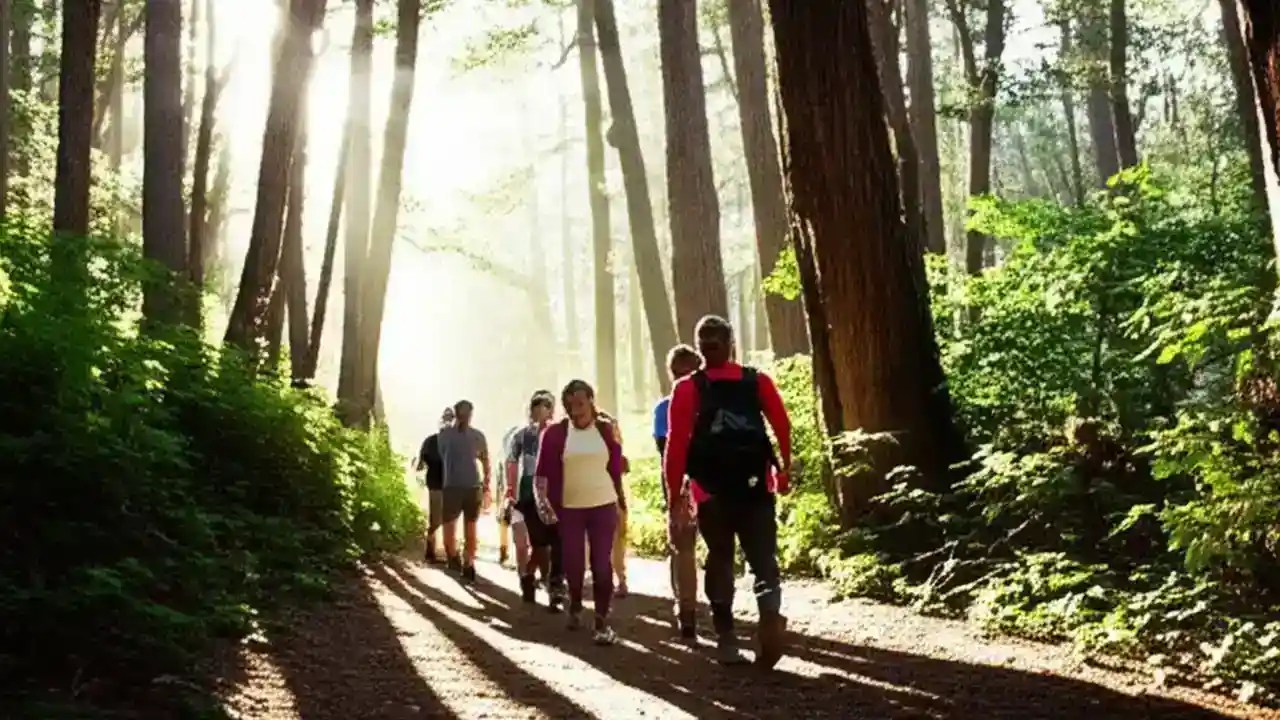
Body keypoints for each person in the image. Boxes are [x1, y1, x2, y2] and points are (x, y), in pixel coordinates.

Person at [664, 315, 792, 668]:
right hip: (755, 485)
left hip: (711, 492)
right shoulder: (757, 381)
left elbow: (676, 447)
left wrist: (674, 496)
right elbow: (781, 424)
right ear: (731, 342)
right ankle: (769, 614)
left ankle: (726, 638)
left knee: (720, 559)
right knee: (764, 561)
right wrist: (785, 469)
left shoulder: (688, 388)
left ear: (701, 350)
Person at [533, 380, 625, 645]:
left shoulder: (606, 429)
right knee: (574, 563)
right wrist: (544, 505)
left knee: (601, 563)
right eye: (570, 405)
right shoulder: (554, 434)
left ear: (591, 401)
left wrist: (621, 501)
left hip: (603, 504)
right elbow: (542, 473)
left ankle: (601, 619)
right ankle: (574, 603)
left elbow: (616, 467)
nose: (576, 410)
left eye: (581, 404)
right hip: (570, 507)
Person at [653, 344, 703, 638]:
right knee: (687, 548)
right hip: (698, 484)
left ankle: (686, 611)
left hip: (681, 485)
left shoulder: (664, 408)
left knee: (683, 549)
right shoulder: (712, 404)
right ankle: (689, 611)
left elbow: (666, 452)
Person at [506, 391, 565, 610]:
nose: (541, 410)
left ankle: (551, 588)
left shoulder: (559, 433)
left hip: (553, 491)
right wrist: (510, 490)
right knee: (536, 544)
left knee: (551, 542)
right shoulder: (521, 435)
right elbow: (511, 462)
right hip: (528, 493)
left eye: (546, 406)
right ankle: (529, 576)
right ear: (531, 410)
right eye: (537, 406)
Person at [437, 400, 492, 582]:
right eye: (462, 413)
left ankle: (468, 562)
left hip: (470, 486)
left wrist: (486, 482)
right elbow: (442, 451)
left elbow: (485, 459)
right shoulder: (445, 435)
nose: (465, 416)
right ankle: (453, 556)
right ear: (457, 413)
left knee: (470, 525)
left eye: (467, 413)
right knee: (450, 524)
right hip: (452, 485)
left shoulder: (476, 436)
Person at [415, 407, 454, 564]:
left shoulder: (455, 443)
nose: (448, 423)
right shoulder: (431, 441)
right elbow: (420, 464)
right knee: (436, 520)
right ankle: (430, 551)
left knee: (449, 519)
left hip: (451, 484)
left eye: (450, 419)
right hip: (436, 484)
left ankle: (448, 551)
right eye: (446, 419)